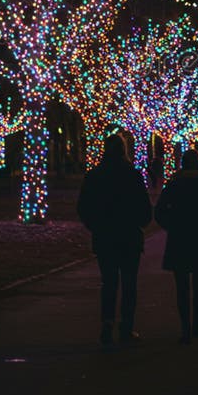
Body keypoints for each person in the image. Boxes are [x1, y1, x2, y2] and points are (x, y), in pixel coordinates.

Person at [77, 133, 153, 346]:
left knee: (108, 282)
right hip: (129, 236)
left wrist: (95, 226)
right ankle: (126, 327)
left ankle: (107, 324)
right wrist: (139, 223)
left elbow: (83, 207)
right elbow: (145, 209)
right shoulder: (133, 175)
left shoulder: (95, 176)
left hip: (105, 237)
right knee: (129, 283)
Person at [155, 149, 198, 344]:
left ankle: (185, 326)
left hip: (179, 238)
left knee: (182, 286)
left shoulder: (174, 183)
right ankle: (197, 324)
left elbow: (160, 211)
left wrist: (172, 225)